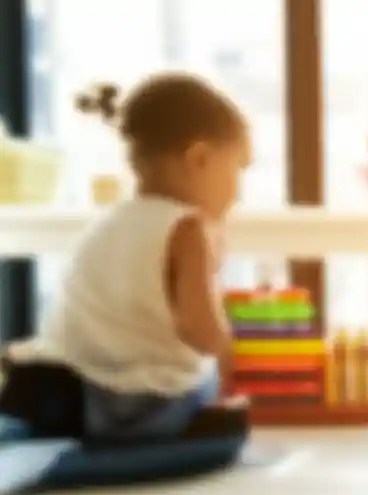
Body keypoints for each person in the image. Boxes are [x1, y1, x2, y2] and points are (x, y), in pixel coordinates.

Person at [0, 72, 249, 441]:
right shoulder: (188, 229)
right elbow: (201, 330)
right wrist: (229, 359)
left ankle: (46, 395)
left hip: (72, 370)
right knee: (206, 386)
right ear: (200, 159)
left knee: (69, 381)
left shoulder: (107, 224)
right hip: (138, 397)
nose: (239, 190)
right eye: (239, 168)